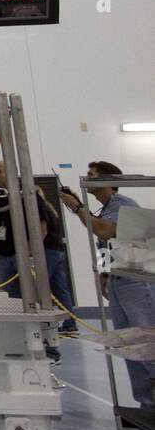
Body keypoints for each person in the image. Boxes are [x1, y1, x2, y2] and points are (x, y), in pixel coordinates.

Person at [61, 161, 155, 408]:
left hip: (136, 283)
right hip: (119, 281)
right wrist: (104, 274)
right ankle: (147, 405)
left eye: (92, 175)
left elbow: (103, 232)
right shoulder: (106, 209)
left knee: (146, 345)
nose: (87, 178)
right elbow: (105, 243)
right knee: (128, 345)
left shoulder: (122, 205)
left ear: (109, 182)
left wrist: (77, 207)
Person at [0, 161, 74, 350]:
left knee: (38, 295)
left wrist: (30, 252)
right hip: (5, 254)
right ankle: (19, 335)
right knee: (12, 295)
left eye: (1, 171)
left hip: (28, 254)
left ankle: (50, 344)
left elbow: (41, 226)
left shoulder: (29, 197)